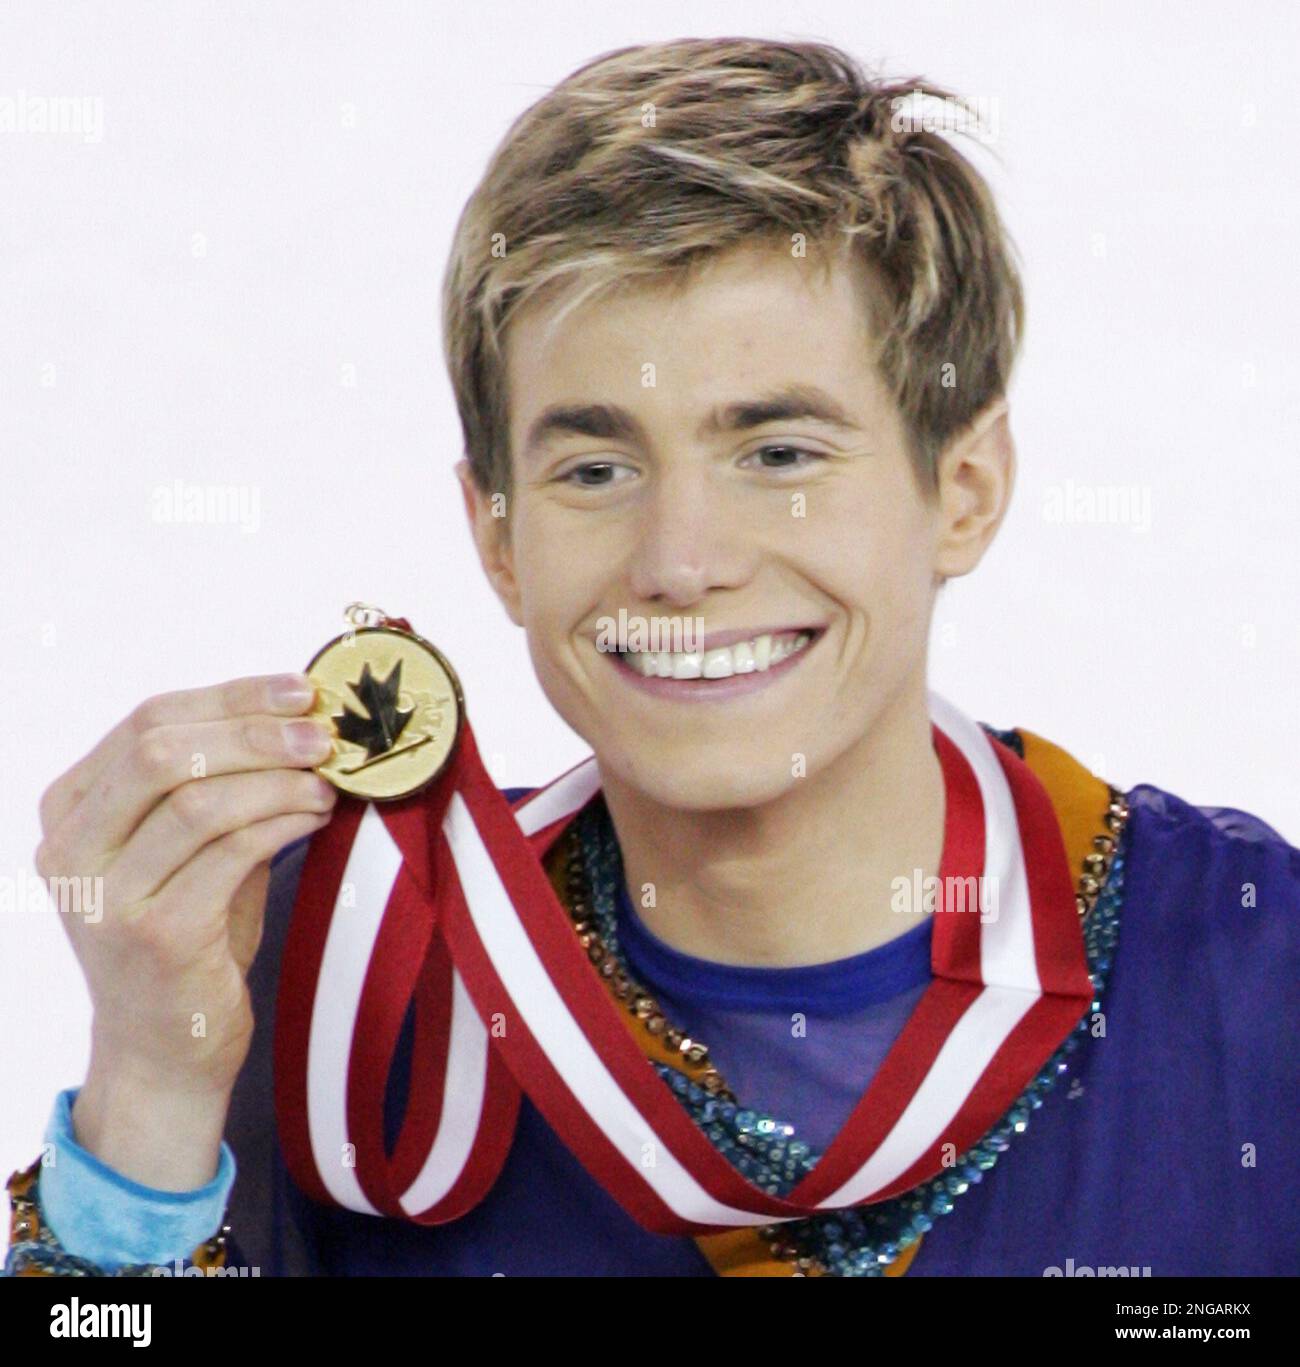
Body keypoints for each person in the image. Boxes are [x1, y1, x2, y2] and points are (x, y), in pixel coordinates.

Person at [7, 36, 1297, 1279]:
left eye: (779, 454)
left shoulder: (1257, 971)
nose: (682, 560)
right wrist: (152, 1088)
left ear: (963, 489)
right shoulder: (332, 967)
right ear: (496, 536)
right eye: (596, 468)